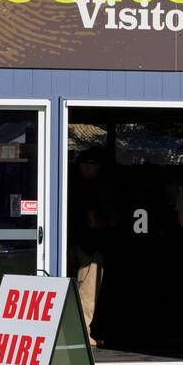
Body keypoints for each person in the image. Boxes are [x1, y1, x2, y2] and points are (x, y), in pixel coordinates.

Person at [69, 147, 114, 346]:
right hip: (88, 246)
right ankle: (82, 332)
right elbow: (93, 221)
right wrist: (111, 224)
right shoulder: (87, 188)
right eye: (95, 165)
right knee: (87, 291)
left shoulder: (68, 184)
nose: (98, 169)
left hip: (72, 242)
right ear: (85, 166)